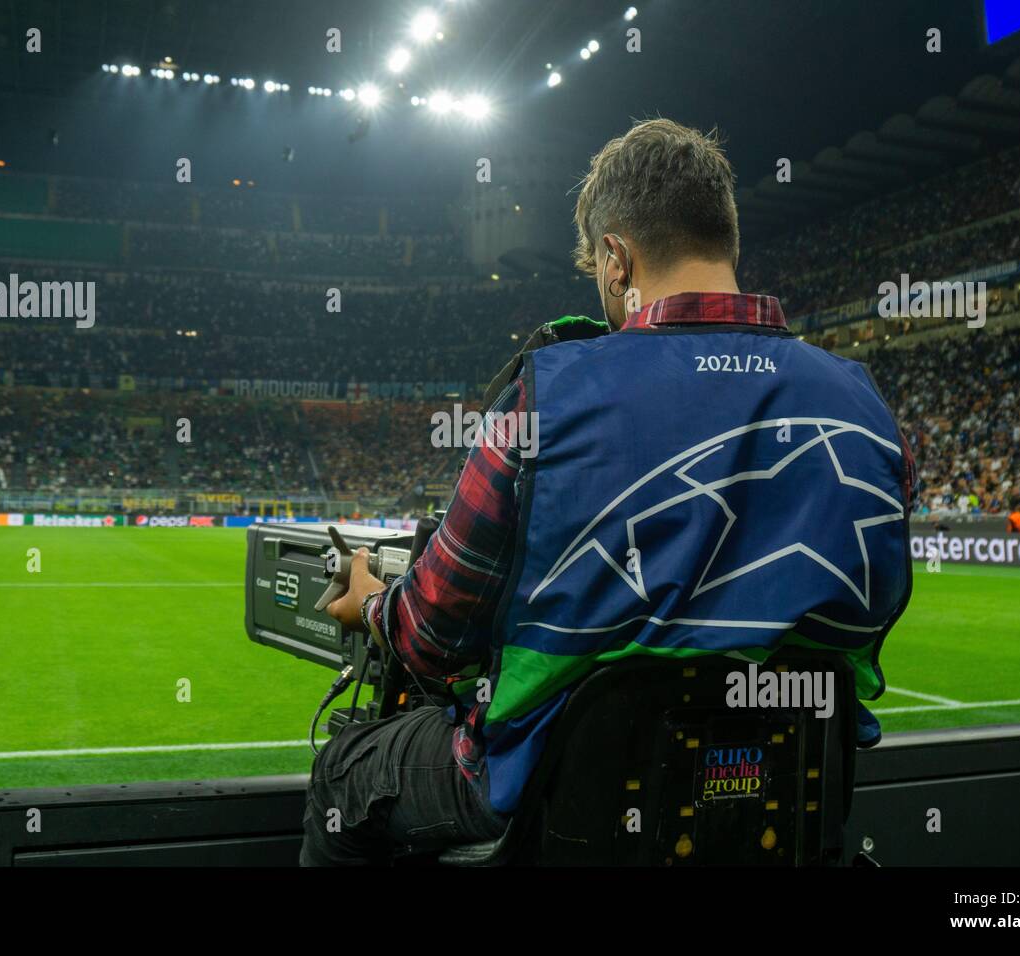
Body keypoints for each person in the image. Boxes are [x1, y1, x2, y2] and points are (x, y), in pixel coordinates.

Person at [302, 118, 915, 866]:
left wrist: (369, 601)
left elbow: (434, 637)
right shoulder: (864, 405)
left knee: (343, 773)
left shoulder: (547, 396)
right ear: (724, 241)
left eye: (597, 265)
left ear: (617, 258)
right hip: (791, 806)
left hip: (554, 805)